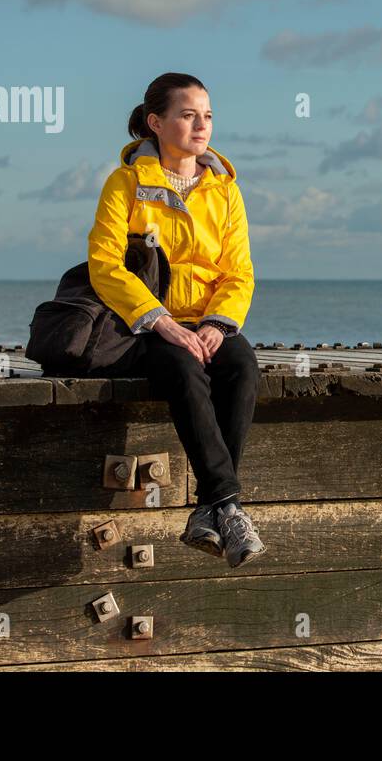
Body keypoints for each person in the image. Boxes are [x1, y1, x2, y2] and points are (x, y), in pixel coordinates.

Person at [86, 72, 265, 567]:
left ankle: (211, 507)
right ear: (155, 122)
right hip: (146, 326)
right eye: (187, 115)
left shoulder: (225, 190)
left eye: (207, 115)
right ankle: (228, 506)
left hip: (207, 321)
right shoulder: (126, 184)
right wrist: (161, 321)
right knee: (185, 370)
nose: (201, 125)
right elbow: (104, 265)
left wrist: (217, 324)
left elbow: (240, 271)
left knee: (243, 366)